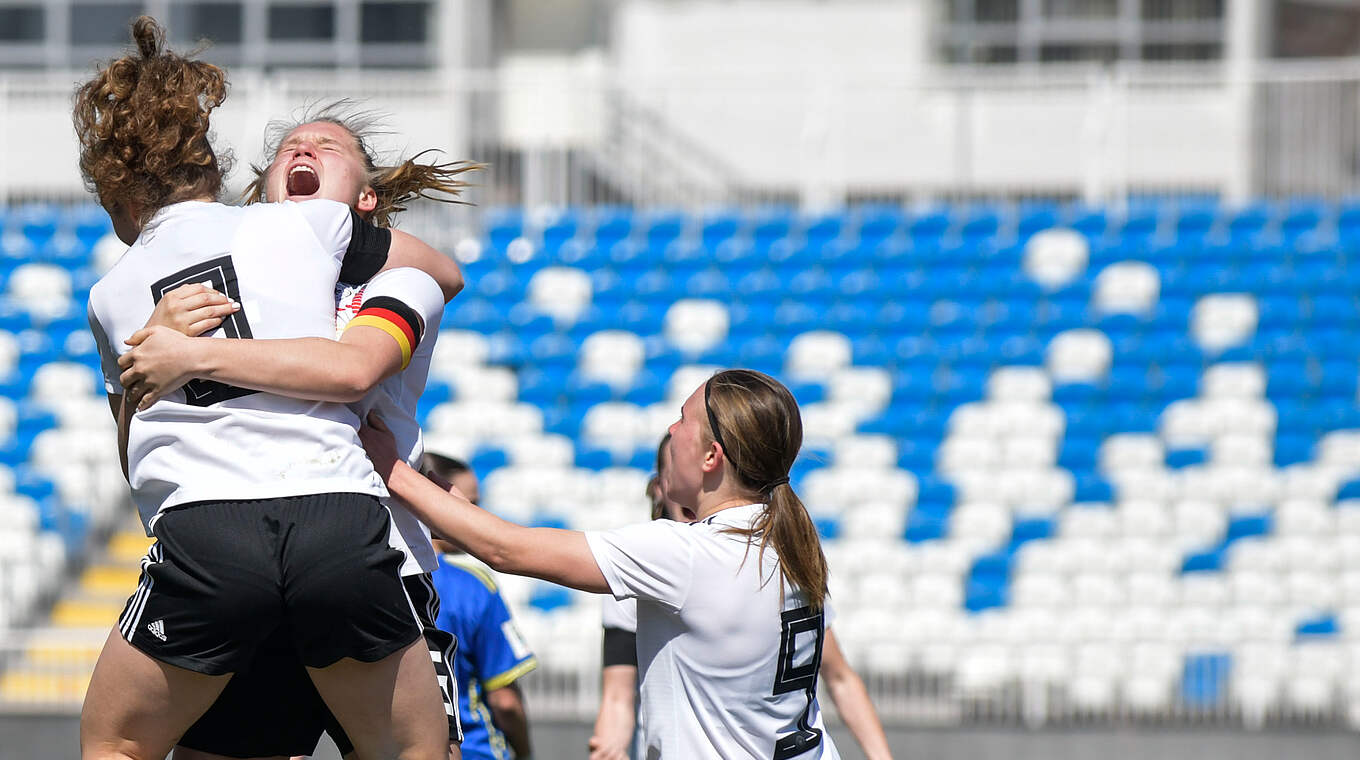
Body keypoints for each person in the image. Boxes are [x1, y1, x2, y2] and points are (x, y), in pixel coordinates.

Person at [76, 18, 457, 760]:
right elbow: (439, 270)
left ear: (115, 193)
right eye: (290, 148)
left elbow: (133, 456)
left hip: (213, 531)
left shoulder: (111, 292)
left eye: (327, 148)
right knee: (413, 748)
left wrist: (177, 350)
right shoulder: (301, 230)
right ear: (219, 171)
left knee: (114, 741)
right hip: (338, 520)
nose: (303, 153)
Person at [360, 369, 844, 759]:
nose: (671, 431)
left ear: (711, 457)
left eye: (682, 420)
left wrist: (393, 470)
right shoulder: (788, 545)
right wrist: (433, 491)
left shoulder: (689, 554)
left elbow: (506, 549)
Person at [589, 436, 894, 760]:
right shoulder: (651, 565)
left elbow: (839, 676)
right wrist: (611, 747)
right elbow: (618, 696)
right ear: (660, 486)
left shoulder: (768, 561)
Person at [423, 453, 537, 760]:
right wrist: (526, 753)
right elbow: (505, 701)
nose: (476, 515)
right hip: (474, 750)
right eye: (469, 504)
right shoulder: (473, 586)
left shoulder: (376, 580)